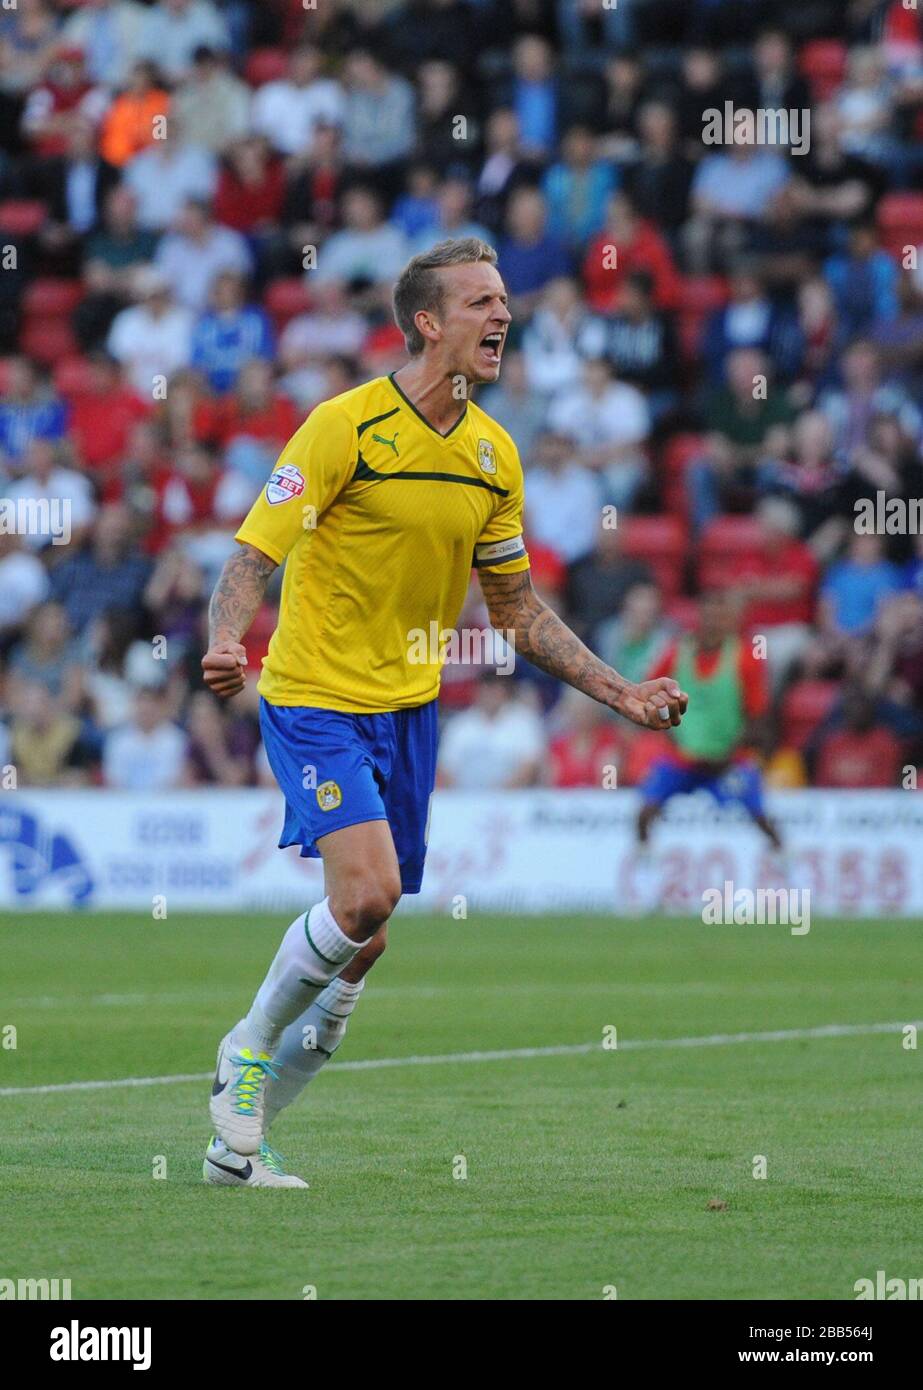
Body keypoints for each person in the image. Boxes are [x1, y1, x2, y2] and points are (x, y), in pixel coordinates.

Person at [199, 236, 689, 1187]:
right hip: (313, 697)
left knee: (364, 941)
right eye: (480, 302)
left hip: (407, 711)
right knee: (364, 897)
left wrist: (621, 692)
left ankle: (234, 1150)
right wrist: (227, 639)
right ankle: (246, 1049)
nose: (502, 315)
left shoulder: (493, 455)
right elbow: (254, 552)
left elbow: (514, 611)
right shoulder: (342, 427)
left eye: (504, 301)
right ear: (427, 322)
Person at [634, 590, 784, 906]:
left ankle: (786, 871)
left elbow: (758, 715)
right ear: (698, 618)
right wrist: (669, 731)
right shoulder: (677, 651)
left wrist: (731, 751)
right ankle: (644, 883)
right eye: (708, 615)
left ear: (730, 621)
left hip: (729, 759)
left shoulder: (744, 657)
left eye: (721, 616)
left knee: (759, 816)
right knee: (646, 812)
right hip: (682, 757)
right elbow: (650, 692)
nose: (713, 622)